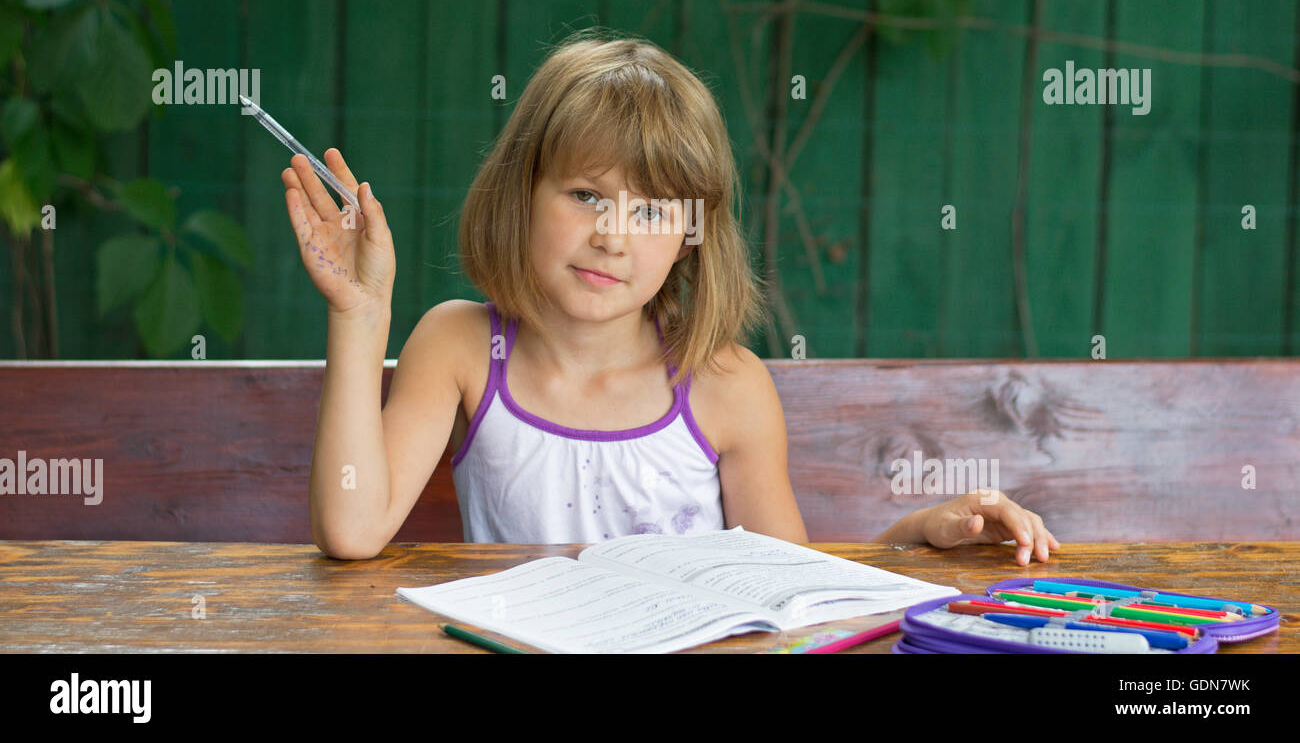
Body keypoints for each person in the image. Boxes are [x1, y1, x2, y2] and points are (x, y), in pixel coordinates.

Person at [285, 28, 1059, 565]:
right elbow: (352, 528)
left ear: (691, 234)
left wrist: (923, 532)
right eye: (587, 194)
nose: (613, 236)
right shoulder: (460, 347)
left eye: (651, 211)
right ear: (523, 193)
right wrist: (360, 314)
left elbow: (791, 585)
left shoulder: (724, 385)